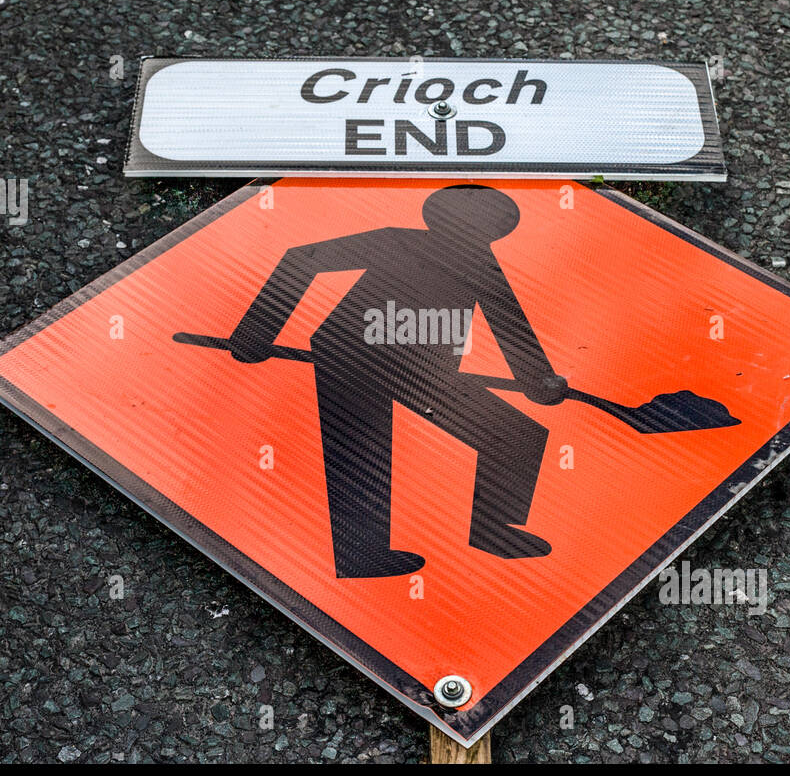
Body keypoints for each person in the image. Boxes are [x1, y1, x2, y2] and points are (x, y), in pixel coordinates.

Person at [230, 185, 566, 578]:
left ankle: (493, 527)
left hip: (427, 372)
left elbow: (511, 329)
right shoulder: (396, 242)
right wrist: (257, 332)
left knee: (515, 435)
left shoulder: (482, 266)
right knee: (360, 452)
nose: (476, 231)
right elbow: (302, 259)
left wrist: (537, 381)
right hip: (352, 356)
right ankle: (362, 555)